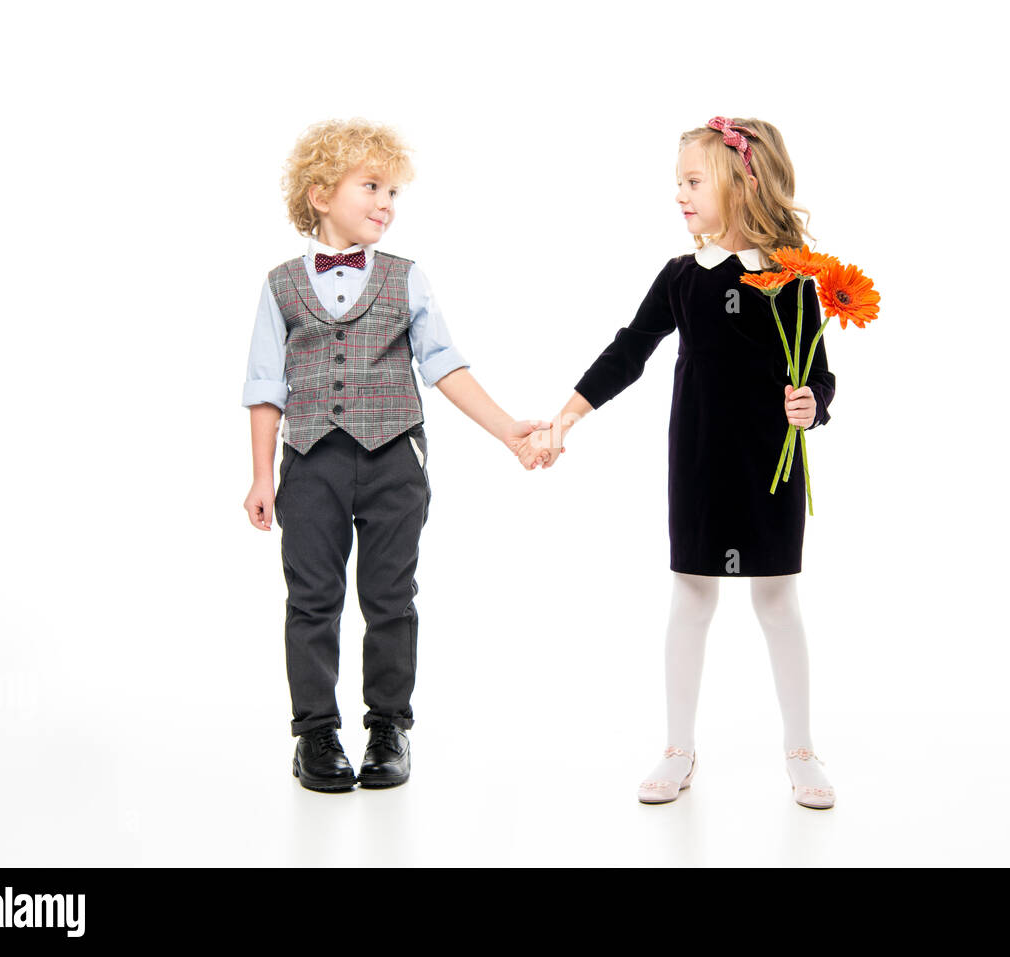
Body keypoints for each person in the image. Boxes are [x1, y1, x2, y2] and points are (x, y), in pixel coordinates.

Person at [521, 117, 839, 809]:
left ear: (741, 178)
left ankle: (801, 747)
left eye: (692, 181)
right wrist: (568, 415)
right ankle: (678, 746)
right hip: (698, 460)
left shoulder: (796, 277)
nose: (680, 195)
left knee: (777, 598)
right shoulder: (680, 277)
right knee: (692, 594)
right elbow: (630, 348)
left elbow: (820, 371)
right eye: (678, 183)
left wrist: (812, 402)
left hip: (772, 466)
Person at [242, 118, 546, 793]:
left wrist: (508, 430)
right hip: (310, 464)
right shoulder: (281, 284)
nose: (386, 202)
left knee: (390, 597)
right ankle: (315, 733)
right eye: (371, 186)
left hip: (393, 463)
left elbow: (445, 365)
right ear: (320, 194)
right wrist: (263, 476)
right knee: (312, 600)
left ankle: (388, 726)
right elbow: (265, 386)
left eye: (393, 192)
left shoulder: (407, 279)